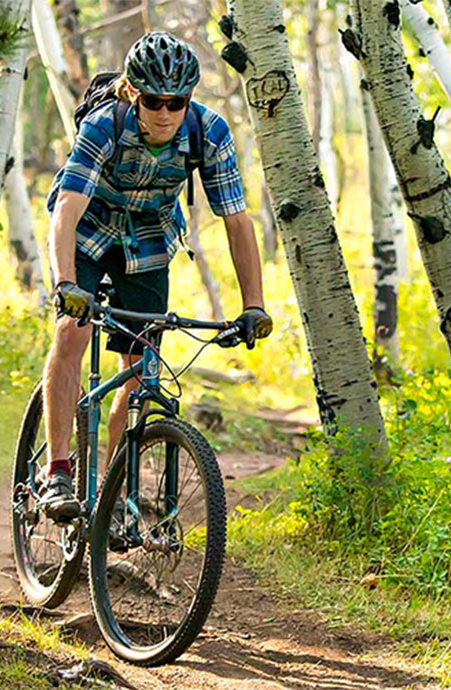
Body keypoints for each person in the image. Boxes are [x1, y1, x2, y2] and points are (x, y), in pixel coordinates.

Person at [39, 31, 272, 520]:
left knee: (140, 367)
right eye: (153, 101)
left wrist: (254, 305)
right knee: (72, 331)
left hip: (148, 239)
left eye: (177, 102)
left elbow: (236, 220)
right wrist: (65, 284)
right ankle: (57, 471)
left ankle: (111, 495)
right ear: (131, 92)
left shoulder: (208, 133)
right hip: (89, 230)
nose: (165, 113)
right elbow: (66, 208)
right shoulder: (103, 126)